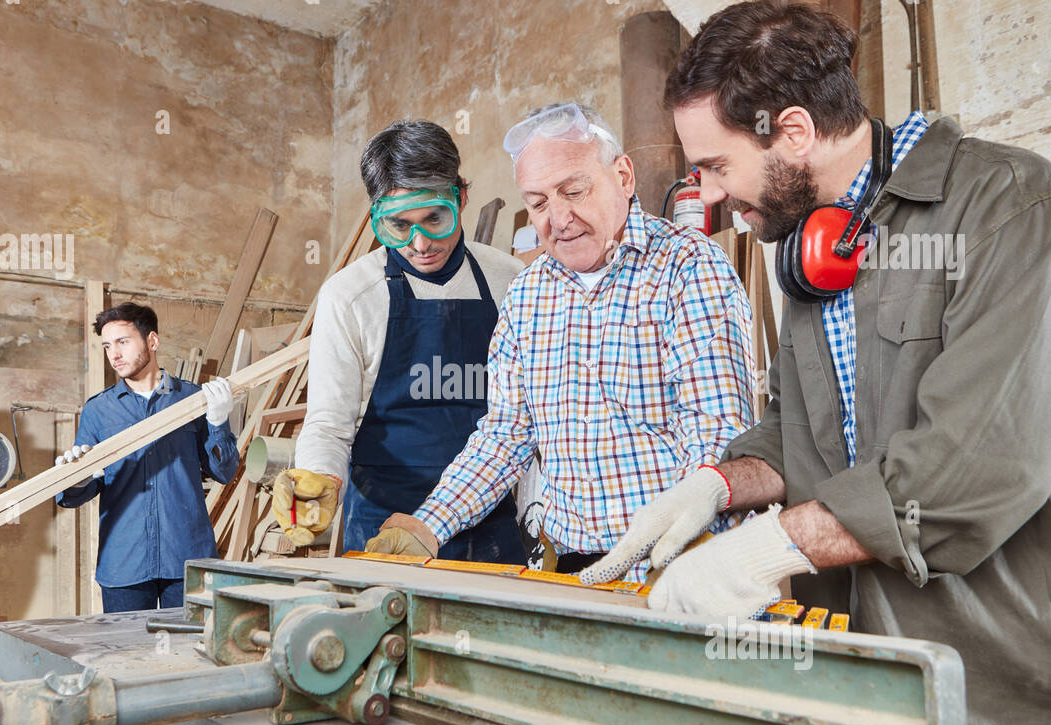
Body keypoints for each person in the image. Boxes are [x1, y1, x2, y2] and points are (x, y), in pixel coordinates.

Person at [587, 0, 1051, 725]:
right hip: (883, 686)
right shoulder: (808, 246)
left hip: (1025, 708)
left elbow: (976, 469)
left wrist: (764, 551)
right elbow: (798, 427)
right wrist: (719, 485)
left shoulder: (1012, 211)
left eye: (716, 166)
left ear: (793, 132)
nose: (710, 196)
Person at [367, 102, 756, 577]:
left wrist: (691, 543)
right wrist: (426, 528)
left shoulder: (687, 266)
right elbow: (504, 436)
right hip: (570, 574)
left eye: (574, 190)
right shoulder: (529, 295)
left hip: (676, 564)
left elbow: (716, 430)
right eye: (538, 202)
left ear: (624, 177)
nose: (559, 217)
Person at [286, 119, 527, 562]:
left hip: (489, 521)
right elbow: (329, 423)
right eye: (398, 225)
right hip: (383, 526)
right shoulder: (350, 295)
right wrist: (319, 480)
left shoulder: (512, 283)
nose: (420, 243)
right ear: (376, 216)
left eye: (435, 218)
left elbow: (526, 422)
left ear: (462, 197)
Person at [55, 303, 236, 612]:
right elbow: (73, 495)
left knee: (188, 654)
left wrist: (218, 424)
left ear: (152, 341)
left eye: (123, 342)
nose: (114, 354)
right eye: (108, 346)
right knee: (127, 655)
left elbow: (224, 472)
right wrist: (78, 478)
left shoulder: (192, 400)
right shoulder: (99, 410)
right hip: (125, 560)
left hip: (187, 556)